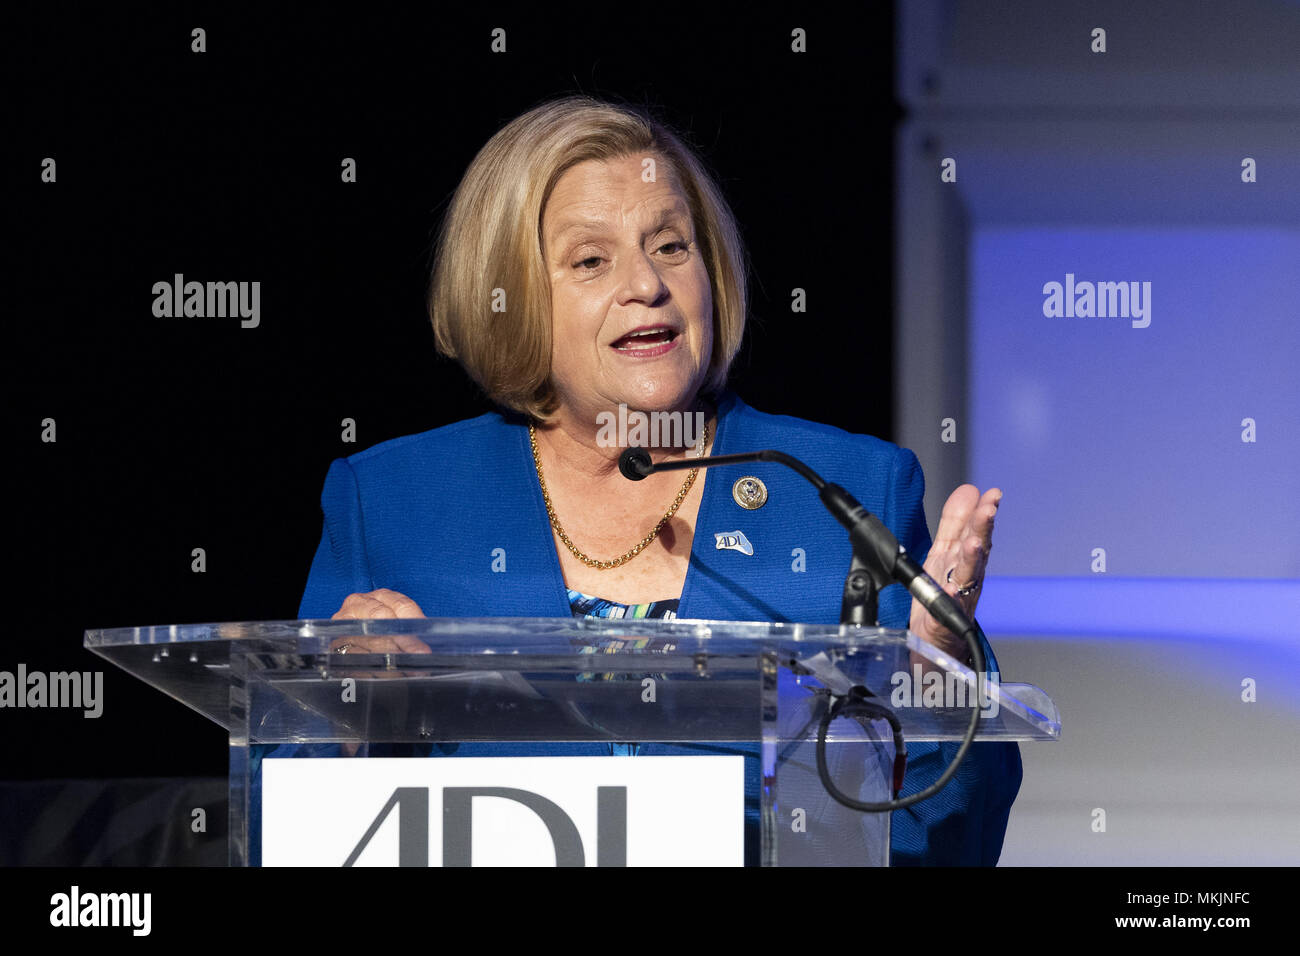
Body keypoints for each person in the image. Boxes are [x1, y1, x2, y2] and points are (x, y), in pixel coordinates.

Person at [296, 95, 1021, 865]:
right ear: (507, 297)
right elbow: (289, 817)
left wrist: (934, 672)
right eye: (590, 260)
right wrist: (351, 726)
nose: (646, 284)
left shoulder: (846, 490)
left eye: (672, 246)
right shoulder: (396, 501)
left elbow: (947, 845)